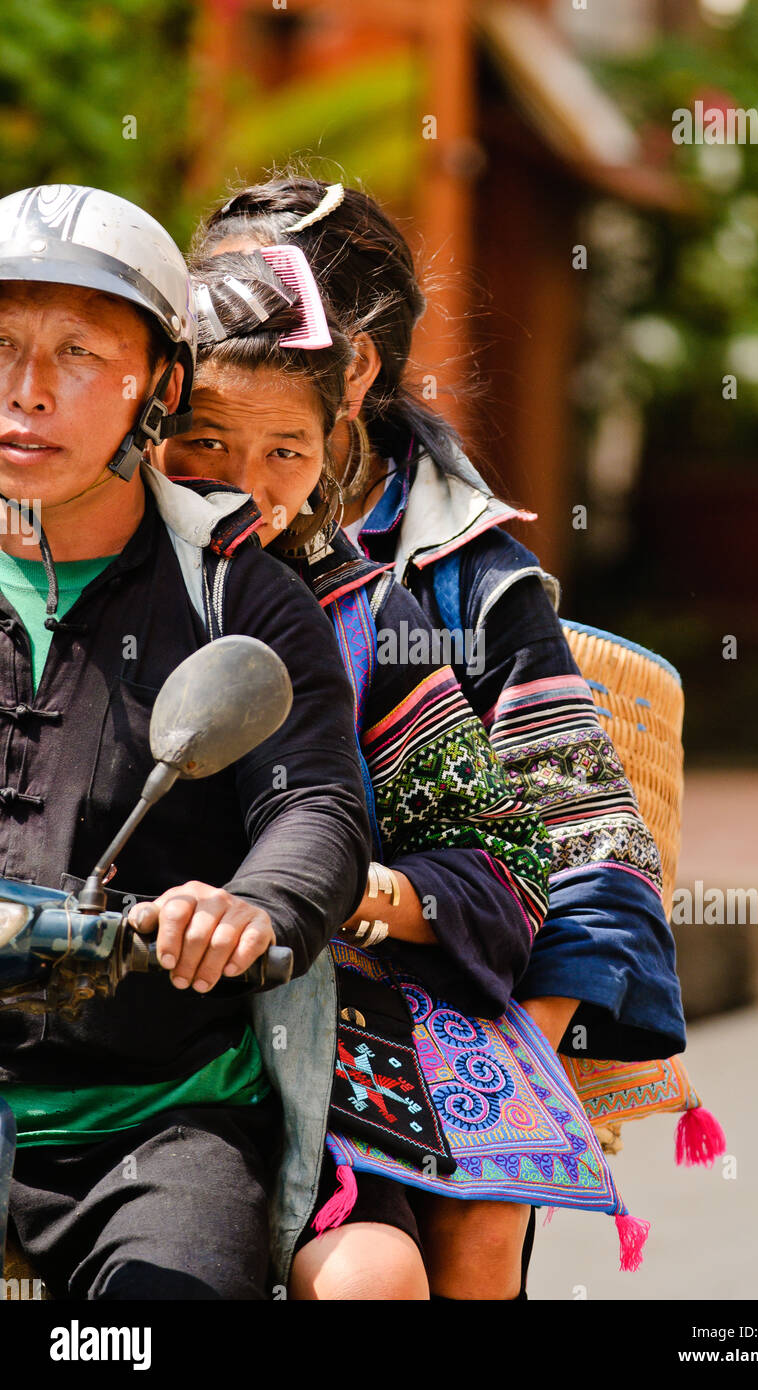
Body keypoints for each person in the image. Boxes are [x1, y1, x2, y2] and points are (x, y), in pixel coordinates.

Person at [194, 175, 688, 1300]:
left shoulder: (448, 587)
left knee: (459, 1235)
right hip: (197, 987)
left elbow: (579, 854)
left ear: (348, 370)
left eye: (283, 447)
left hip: (423, 984)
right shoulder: (127, 540)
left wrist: (504, 1075)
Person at [158, 248, 552, 1300]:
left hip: (302, 1030)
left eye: (284, 449)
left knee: (374, 1271)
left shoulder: (367, 621)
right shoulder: (82, 587)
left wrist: (333, 893)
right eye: (202, 442)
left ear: (333, 442)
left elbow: (505, 868)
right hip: (90, 1021)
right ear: (139, 424)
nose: (247, 486)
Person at [0, 184, 371, 1300]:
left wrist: (248, 906)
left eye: (77, 351)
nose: (25, 391)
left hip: (158, 1123)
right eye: (3, 343)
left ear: (159, 386)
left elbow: (314, 806)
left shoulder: (241, 599)